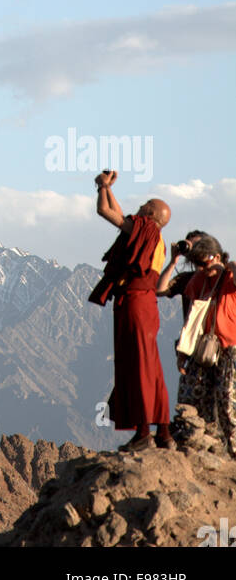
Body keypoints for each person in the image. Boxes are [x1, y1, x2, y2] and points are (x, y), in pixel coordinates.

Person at [89, 170, 173, 451]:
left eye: (145, 205)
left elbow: (105, 212)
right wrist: (109, 188)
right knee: (151, 366)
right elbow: (121, 216)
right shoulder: (154, 238)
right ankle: (162, 432)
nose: (139, 207)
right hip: (146, 305)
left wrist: (102, 187)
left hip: (135, 304)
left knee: (137, 365)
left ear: (149, 213)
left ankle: (142, 433)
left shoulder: (146, 230)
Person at [172, 235, 236, 455]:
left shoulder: (229, 276)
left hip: (230, 348)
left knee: (229, 402)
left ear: (217, 256)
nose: (201, 268)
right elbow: (192, 317)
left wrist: (229, 266)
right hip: (204, 348)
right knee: (195, 397)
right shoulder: (198, 280)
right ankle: (203, 446)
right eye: (196, 264)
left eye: (204, 263)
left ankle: (233, 450)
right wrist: (183, 350)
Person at [157, 231, 205, 376]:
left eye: (198, 246)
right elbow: (160, 289)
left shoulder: (220, 276)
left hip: (216, 345)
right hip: (191, 346)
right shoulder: (186, 279)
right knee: (190, 396)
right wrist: (173, 261)